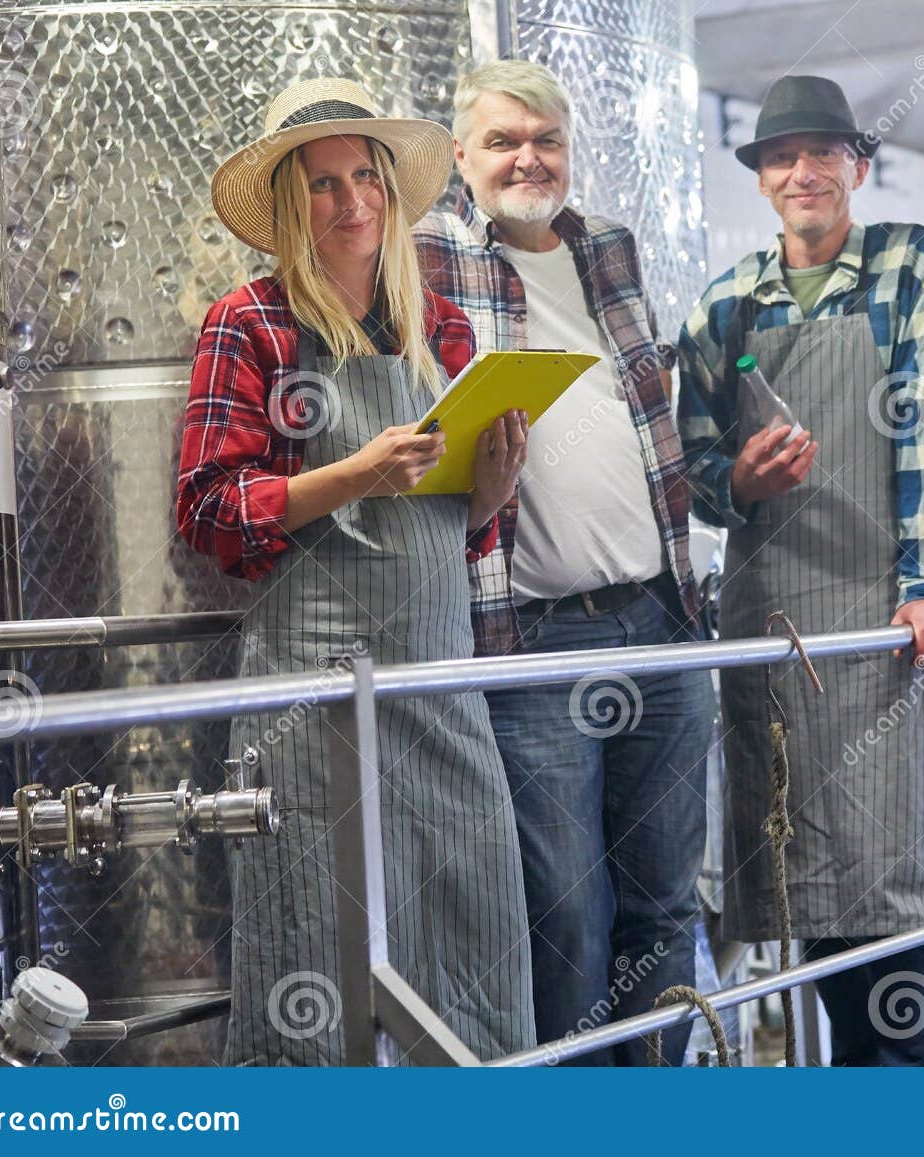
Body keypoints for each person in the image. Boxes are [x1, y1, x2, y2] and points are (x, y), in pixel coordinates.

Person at [177, 77, 535, 1065]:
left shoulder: (443, 334)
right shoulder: (249, 325)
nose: (352, 202)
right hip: (312, 710)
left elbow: (449, 539)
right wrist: (351, 474)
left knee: (474, 954)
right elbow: (206, 511)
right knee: (314, 966)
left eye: (365, 176)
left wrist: (492, 489)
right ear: (294, 205)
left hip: (439, 692)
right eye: (325, 184)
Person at [413, 60, 712, 1065]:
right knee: (568, 916)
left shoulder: (607, 251)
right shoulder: (424, 257)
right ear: (461, 153)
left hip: (664, 619)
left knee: (668, 905)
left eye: (544, 139)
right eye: (502, 140)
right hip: (535, 635)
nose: (526, 159)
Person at [677, 75, 924, 1066]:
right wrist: (741, 483)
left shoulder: (910, 266)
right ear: (760, 178)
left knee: (883, 897)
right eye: (778, 157)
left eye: (820, 153)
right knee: (800, 886)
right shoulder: (722, 307)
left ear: (858, 163)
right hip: (769, 629)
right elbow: (691, 476)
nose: (800, 171)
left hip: (877, 625)